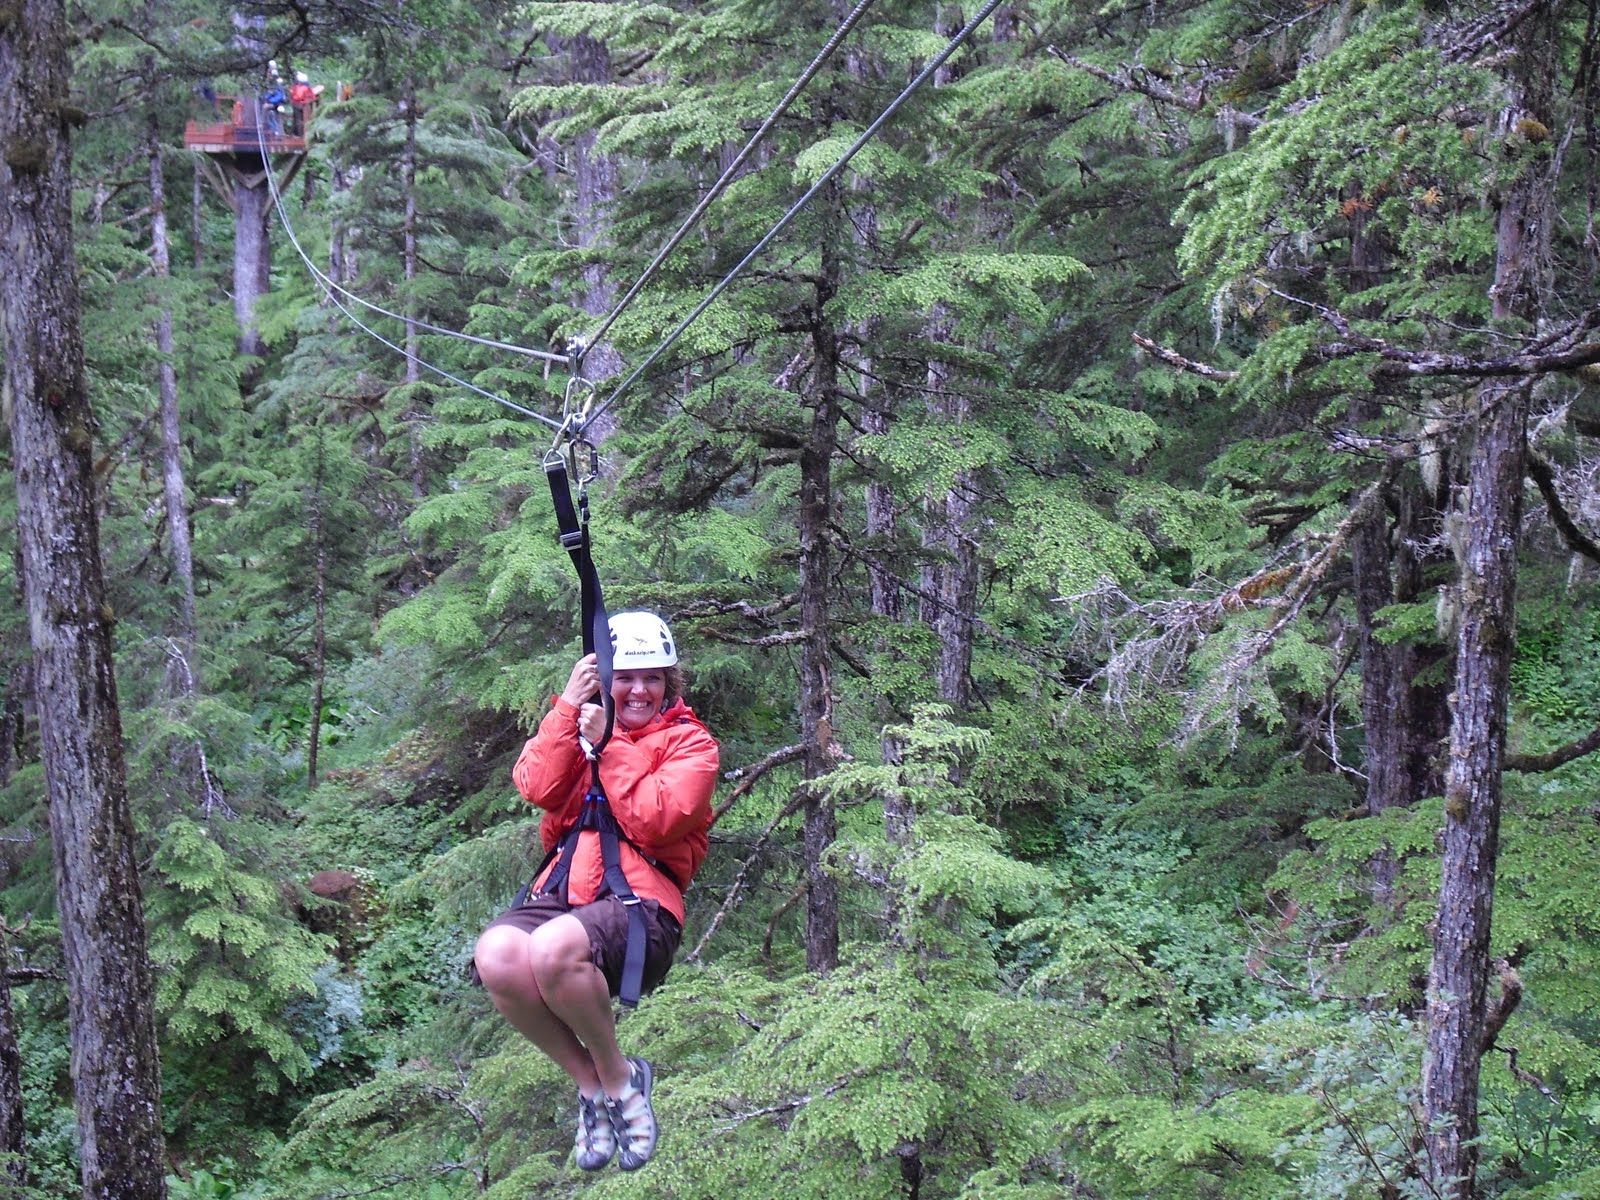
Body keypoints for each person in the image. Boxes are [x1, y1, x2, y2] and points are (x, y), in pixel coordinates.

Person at [474, 611, 718, 1173]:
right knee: (499, 957)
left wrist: (607, 744)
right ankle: (591, 1086)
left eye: (652, 678)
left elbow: (659, 820)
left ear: (668, 684)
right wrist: (567, 709)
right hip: (562, 892)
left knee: (554, 948)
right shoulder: (578, 728)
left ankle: (619, 1077)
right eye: (624, 678)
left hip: (642, 906)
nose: (638, 690)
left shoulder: (692, 745)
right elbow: (536, 786)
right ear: (603, 682)